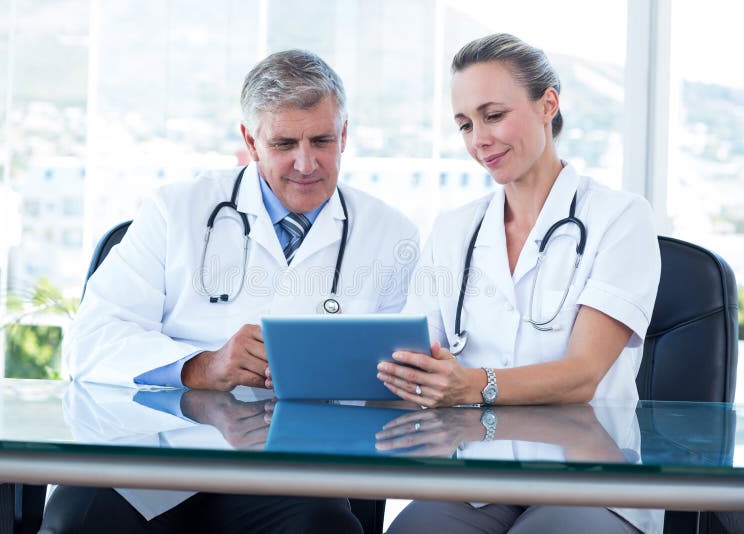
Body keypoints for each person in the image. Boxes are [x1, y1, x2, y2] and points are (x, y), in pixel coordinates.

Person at [46, 49, 419, 533]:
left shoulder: (392, 235)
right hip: (156, 463)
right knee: (80, 522)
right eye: (285, 143)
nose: (306, 163)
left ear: (345, 134)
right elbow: (90, 341)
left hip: (293, 478)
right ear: (250, 140)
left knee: (323, 528)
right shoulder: (174, 211)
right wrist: (204, 366)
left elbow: (400, 382)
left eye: (322, 140)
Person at [377, 34, 661, 533]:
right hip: (476, 478)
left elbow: (582, 374)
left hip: (588, 478)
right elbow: (418, 353)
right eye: (464, 124)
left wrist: (471, 383)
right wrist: (415, 374)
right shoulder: (454, 229)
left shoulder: (620, 219)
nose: (478, 140)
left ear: (548, 104)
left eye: (493, 115)